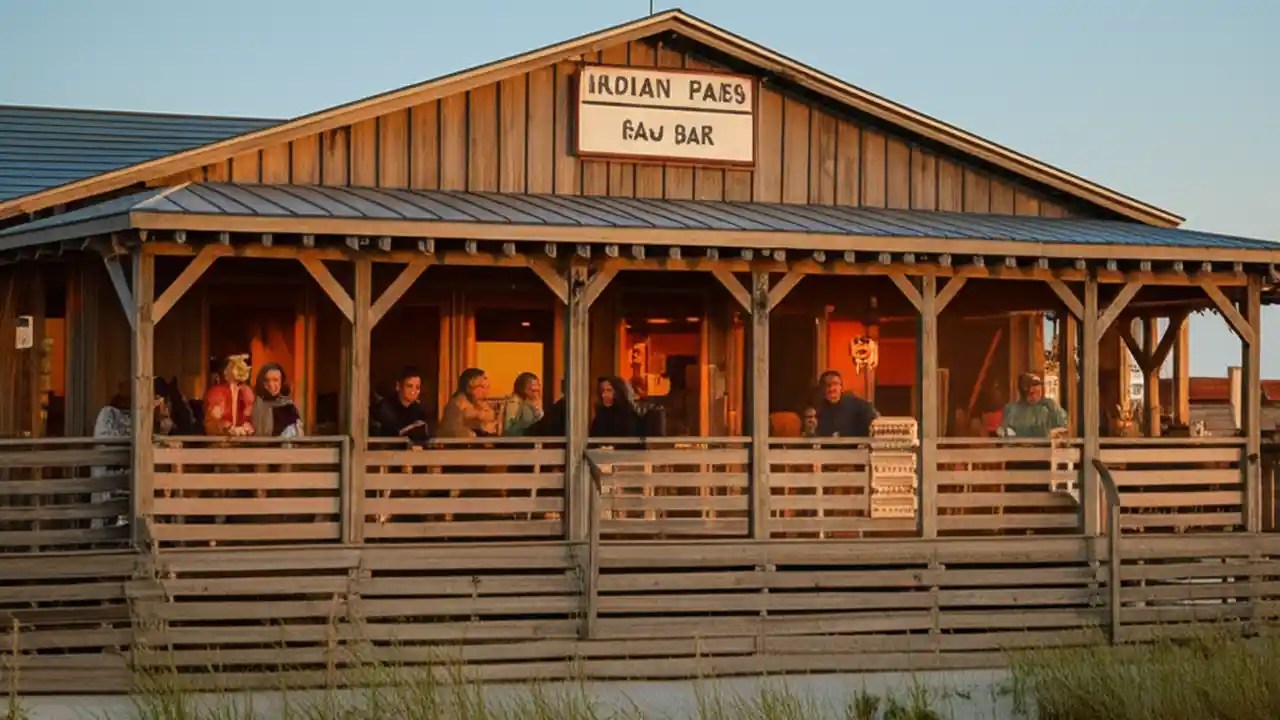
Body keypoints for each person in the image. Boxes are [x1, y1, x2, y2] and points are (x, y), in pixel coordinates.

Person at [372, 366, 430, 446]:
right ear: (398, 386)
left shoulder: (419, 411)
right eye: (409, 386)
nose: (413, 392)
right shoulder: (385, 408)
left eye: (417, 388)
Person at [998, 372, 1068, 438]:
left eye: (1038, 390)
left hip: (1045, 448)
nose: (1035, 395)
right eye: (1032, 393)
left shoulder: (1050, 405)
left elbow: (1065, 425)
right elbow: (1003, 431)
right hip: (1019, 448)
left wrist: (1056, 432)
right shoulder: (1012, 409)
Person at [812, 370, 878, 438]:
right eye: (827, 385)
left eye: (835, 384)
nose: (831, 389)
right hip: (827, 447)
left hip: (853, 447)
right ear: (822, 389)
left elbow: (874, 418)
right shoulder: (817, 409)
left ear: (841, 387)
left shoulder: (856, 404)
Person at [437, 368, 497, 439]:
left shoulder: (476, 402)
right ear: (469, 387)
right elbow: (453, 432)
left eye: (487, 387)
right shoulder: (457, 404)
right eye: (482, 387)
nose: (485, 392)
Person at [203, 354, 255, 436]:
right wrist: (229, 428)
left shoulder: (247, 392)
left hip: (243, 444)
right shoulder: (217, 393)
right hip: (221, 443)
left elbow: (250, 416)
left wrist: (247, 427)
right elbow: (212, 421)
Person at [250, 363, 304, 438]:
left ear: (282, 382)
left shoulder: (289, 407)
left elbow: (298, 435)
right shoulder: (252, 404)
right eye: (267, 380)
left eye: (275, 380)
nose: (271, 384)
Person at [502, 372, 543, 437]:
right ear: (523, 389)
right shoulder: (515, 402)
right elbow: (509, 430)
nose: (537, 389)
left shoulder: (532, 402)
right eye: (532, 388)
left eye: (538, 385)